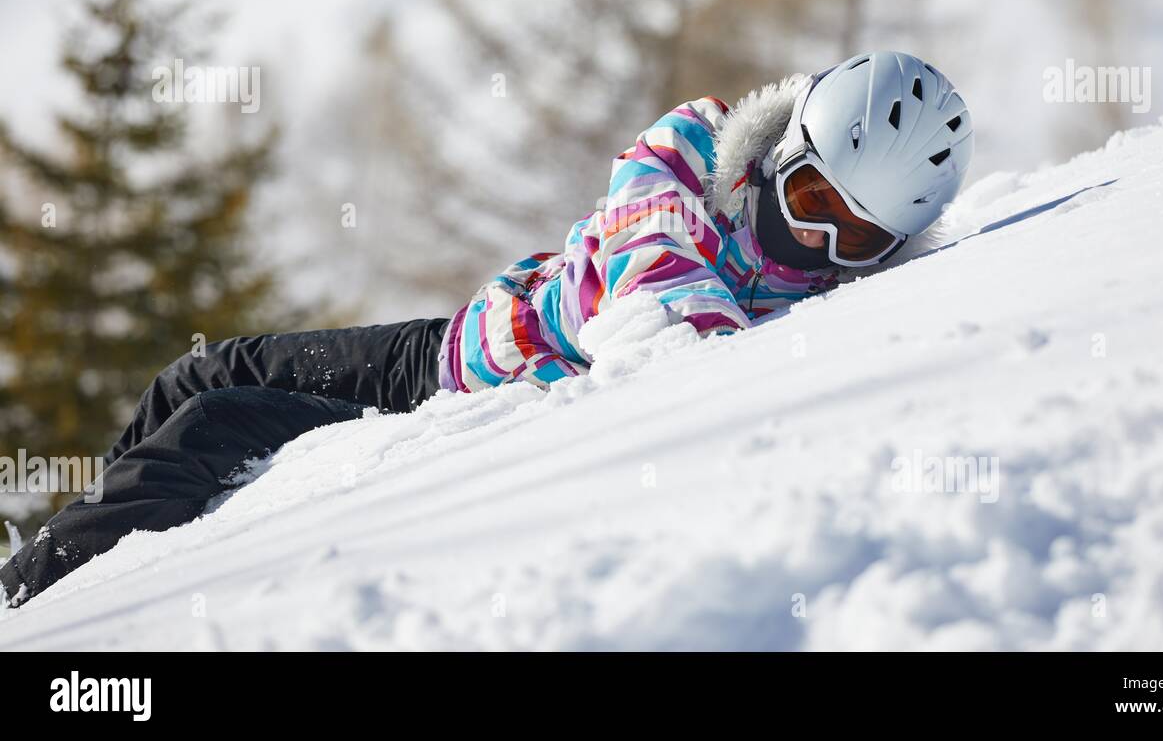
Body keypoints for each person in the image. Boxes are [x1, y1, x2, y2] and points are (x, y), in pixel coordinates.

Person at [0, 51, 973, 608]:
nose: (815, 239)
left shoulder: (818, 293)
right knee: (199, 372)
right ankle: (47, 558)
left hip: (455, 395)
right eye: (810, 195)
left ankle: (34, 597)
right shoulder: (694, 146)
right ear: (777, 150)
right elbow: (652, 272)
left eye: (853, 235)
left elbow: (687, 370)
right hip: (448, 343)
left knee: (212, 419)